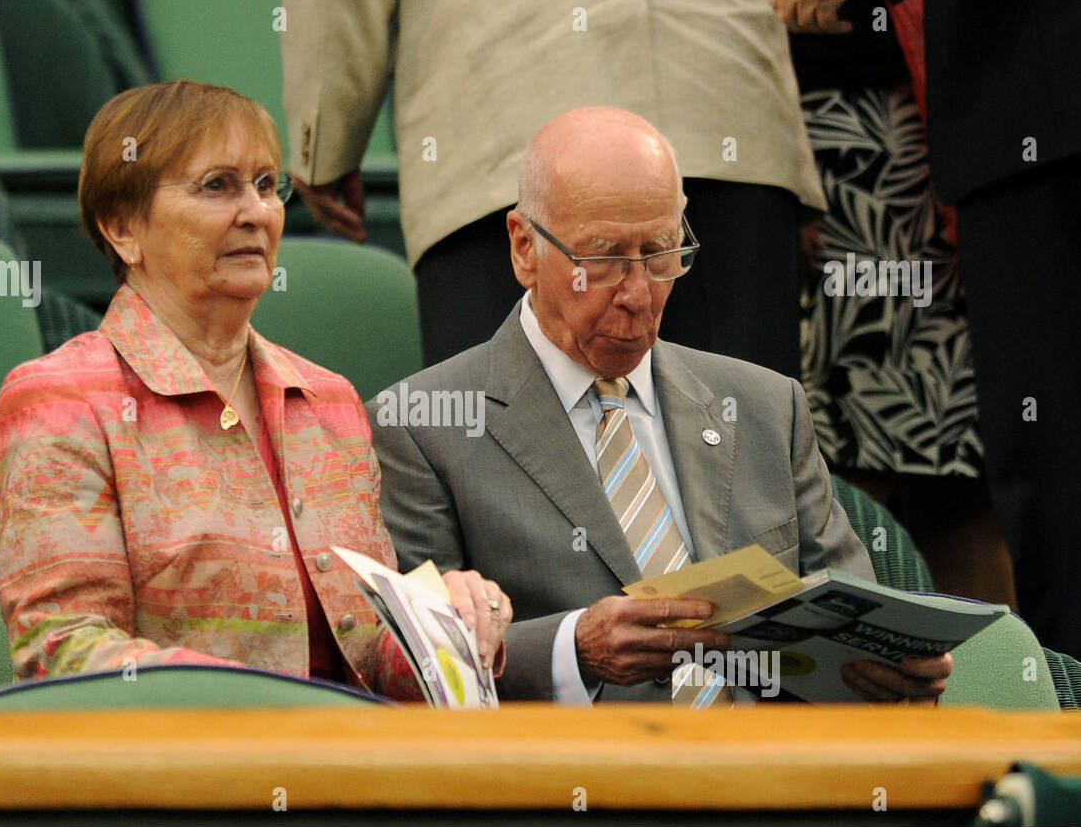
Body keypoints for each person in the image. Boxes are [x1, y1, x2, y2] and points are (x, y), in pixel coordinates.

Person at [369, 106, 954, 704]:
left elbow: (853, 615)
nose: (636, 293)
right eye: (601, 259)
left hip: (774, 775)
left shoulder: (766, 407)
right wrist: (573, 648)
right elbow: (417, 662)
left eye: (660, 253)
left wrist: (893, 667)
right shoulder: (422, 428)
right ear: (525, 248)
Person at [0, 80, 509, 697]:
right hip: (181, 777)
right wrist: (278, 709)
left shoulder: (327, 400)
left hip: (345, 768)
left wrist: (445, 617)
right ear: (122, 227)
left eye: (266, 185)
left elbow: (366, 656)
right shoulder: (60, 400)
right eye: (218, 186)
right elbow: (65, 651)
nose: (257, 212)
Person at [280, 0, 824, 376]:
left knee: (510, 482)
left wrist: (323, 139)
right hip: (724, 111)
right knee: (742, 480)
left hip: (500, 123)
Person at [781, 0, 1015, 609]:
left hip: (923, 133)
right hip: (803, 142)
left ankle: (1001, 689)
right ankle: (856, 672)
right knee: (832, 459)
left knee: (955, 455)